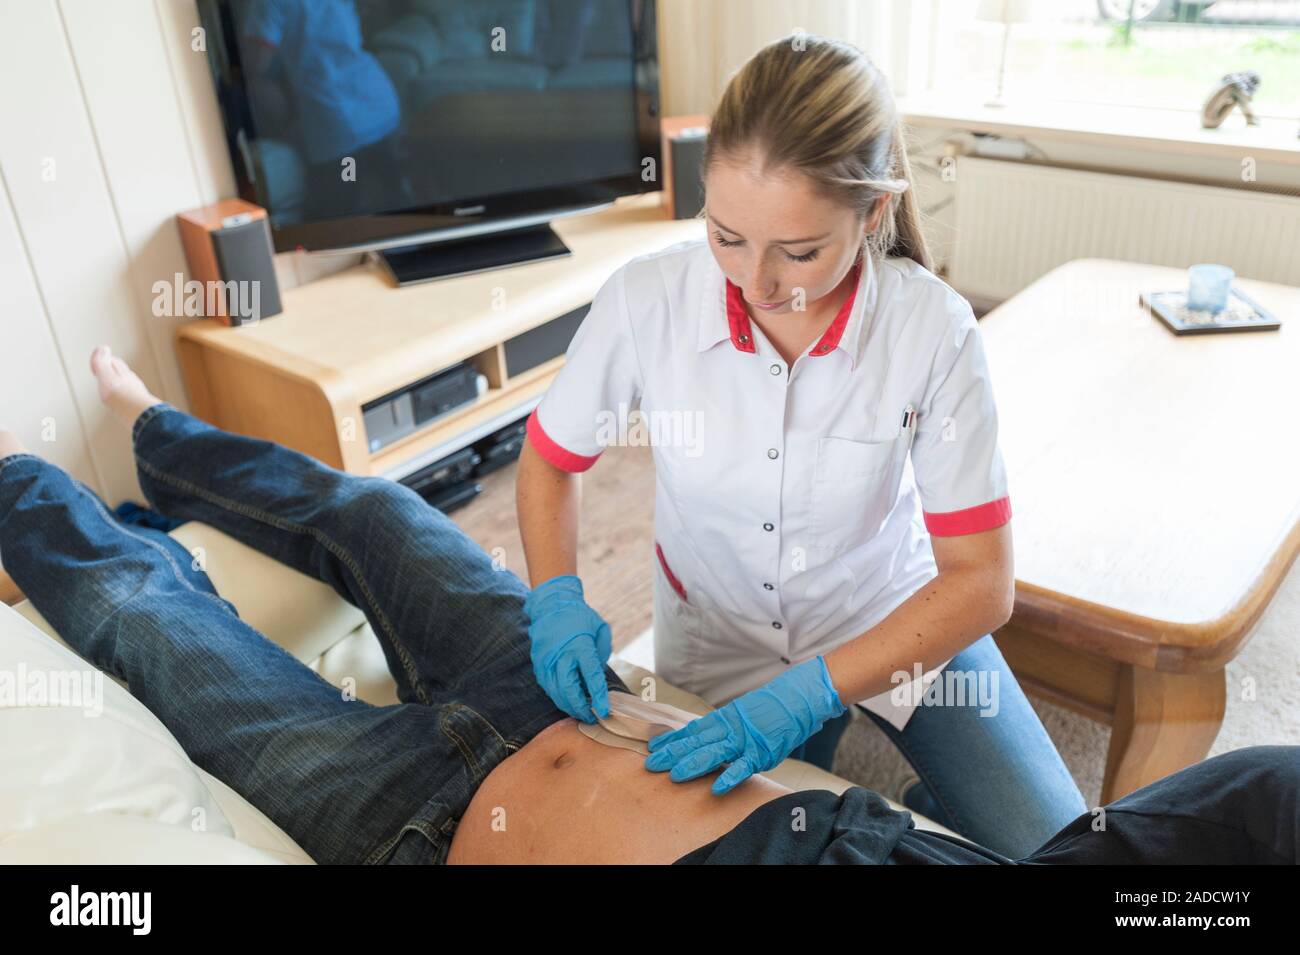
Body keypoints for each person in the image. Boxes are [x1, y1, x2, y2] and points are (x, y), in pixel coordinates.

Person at [0, 347, 1295, 866]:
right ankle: (156, 426)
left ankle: (18, 478)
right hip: (587, 697)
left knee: (144, 616)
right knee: (383, 514)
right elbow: (1262, 803)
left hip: (422, 820)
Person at [514, 33, 1083, 858]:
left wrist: (808, 693)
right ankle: (926, 805)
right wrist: (556, 596)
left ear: (874, 213)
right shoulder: (647, 300)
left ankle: (938, 797)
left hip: (894, 617)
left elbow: (982, 582)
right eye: (726, 236)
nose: (754, 285)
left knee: (1058, 848)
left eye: (801, 251)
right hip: (720, 642)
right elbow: (549, 462)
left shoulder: (932, 329)